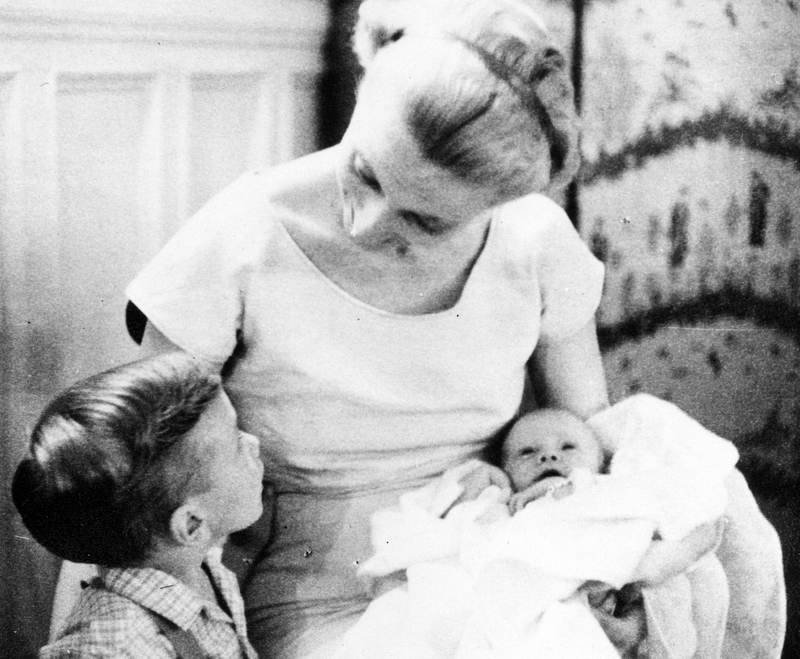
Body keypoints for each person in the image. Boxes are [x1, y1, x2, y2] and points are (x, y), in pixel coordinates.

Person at [123, 0, 729, 656]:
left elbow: (587, 437)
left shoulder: (534, 239)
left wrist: (613, 587)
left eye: (425, 219)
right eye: (364, 169)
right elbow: (142, 468)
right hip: (315, 583)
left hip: (505, 554)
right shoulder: (238, 236)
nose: (365, 223)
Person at [350, 398, 737, 659]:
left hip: (592, 581)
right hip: (521, 589)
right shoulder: (501, 504)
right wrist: (473, 497)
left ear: (600, 462)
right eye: (527, 453)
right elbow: (449, 539)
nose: (548, 456)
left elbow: (674, 512)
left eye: (568, 448)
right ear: (506, 469)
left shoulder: (604, 488)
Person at [11, 353, 263, 659]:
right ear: (191, 525)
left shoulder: (196, 564)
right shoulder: (115, 645)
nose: (253, 442)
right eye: (237, 445)